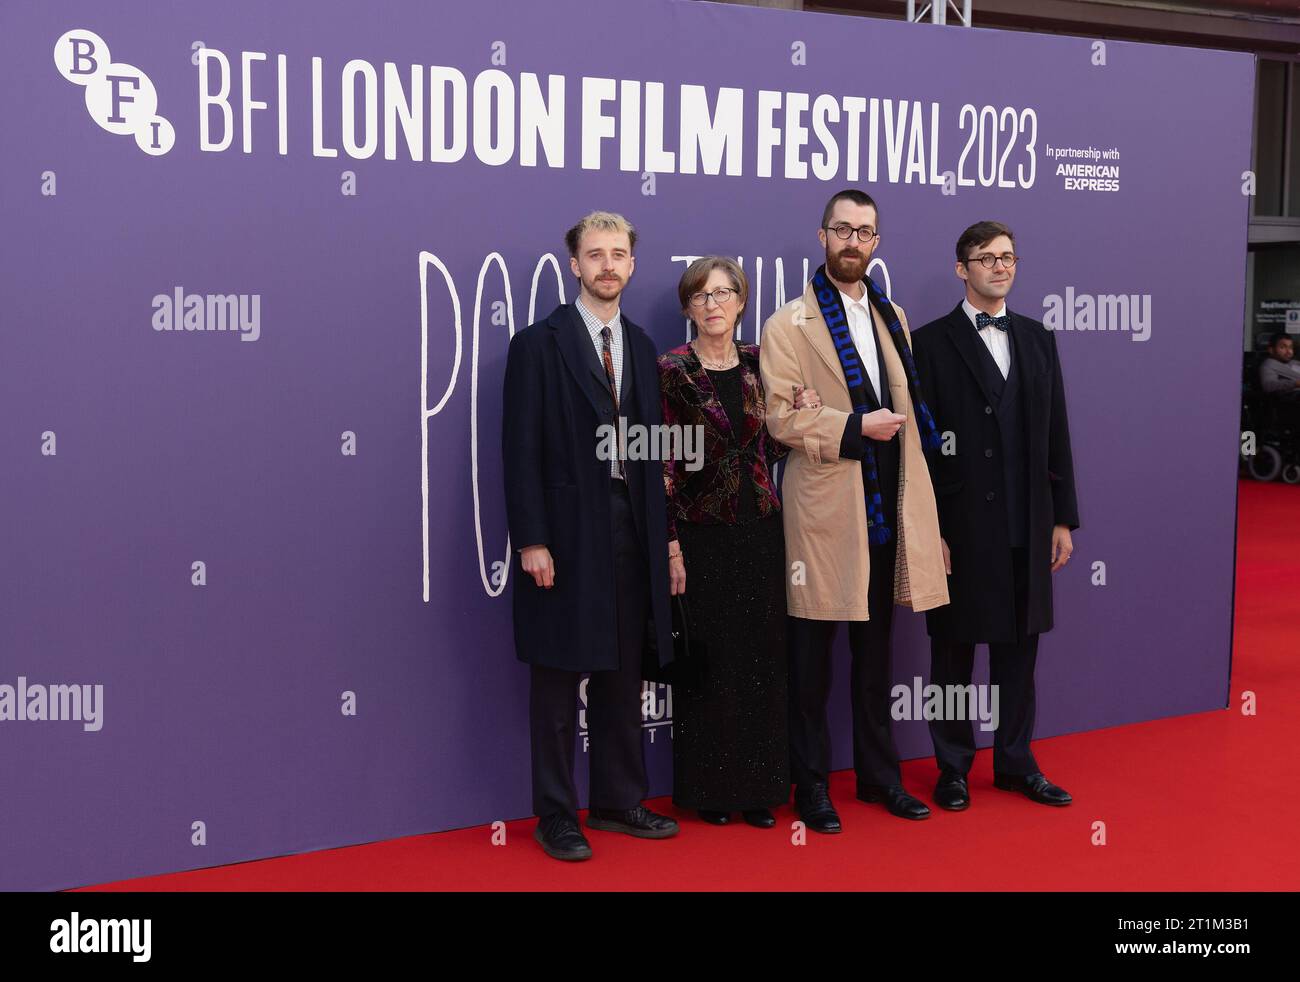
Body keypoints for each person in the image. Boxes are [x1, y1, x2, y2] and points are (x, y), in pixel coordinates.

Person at [759, 189, 950, 832]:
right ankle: (810, 785)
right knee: (810, 661)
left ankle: (878, 778)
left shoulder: (893, 315)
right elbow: (782, 416)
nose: (853, 241)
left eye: (866, 233)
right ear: (822, 236)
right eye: (843, 229)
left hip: (888, 507)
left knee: (876, 661)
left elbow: (911, 413)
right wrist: (853, 426)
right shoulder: (788, 324)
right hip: (822, 514)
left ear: (876, 244)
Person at [501, 210, 679, 861]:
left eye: (619, 254)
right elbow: (519, 452)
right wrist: (531, 540)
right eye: (595, 254)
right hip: (565, 533)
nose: (608, 265)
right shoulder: (537, 345)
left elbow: (651, 451)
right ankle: (555, 814)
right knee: (556, 677)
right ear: (574, 265)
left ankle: (615, 800)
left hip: (631, 526)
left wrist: (665, 543)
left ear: (632, 264)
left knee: (623, 671)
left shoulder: (641, 343)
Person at [911, 220, 1080, 810]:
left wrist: (1062, 518)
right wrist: (931, 531)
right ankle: (952, 767)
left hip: (1028, 521)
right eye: (986, 258)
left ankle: (1015, 762)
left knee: (1020, 650)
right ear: (963, 269)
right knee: (953, 652)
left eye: (1008, 257)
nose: (999, 267)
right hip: (961, 525)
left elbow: (1056, 431)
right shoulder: (929, 343)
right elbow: (922, 446)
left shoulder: (1038, 338)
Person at [658, 257, 817, 828]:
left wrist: (802, 414)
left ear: (741, 302)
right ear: (687, 307)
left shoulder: (759, 362)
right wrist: (671, 544)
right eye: (701, 295)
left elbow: (768, 447)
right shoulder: (670, 370)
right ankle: (712, 790)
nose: (713, 304)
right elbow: (663, 466)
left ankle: (759, 789)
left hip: (760, 530)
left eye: (724, 293)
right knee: (711, 665)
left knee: (761, 661)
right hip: (702, 535)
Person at [1259, 333, 1300, 401]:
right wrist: (1295, 383)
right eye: (1283, 347)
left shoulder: (1293, 362)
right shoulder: (1268, 365)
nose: (1289, 351)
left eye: (1290, 347)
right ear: (1271, 350)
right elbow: (1268, 385)